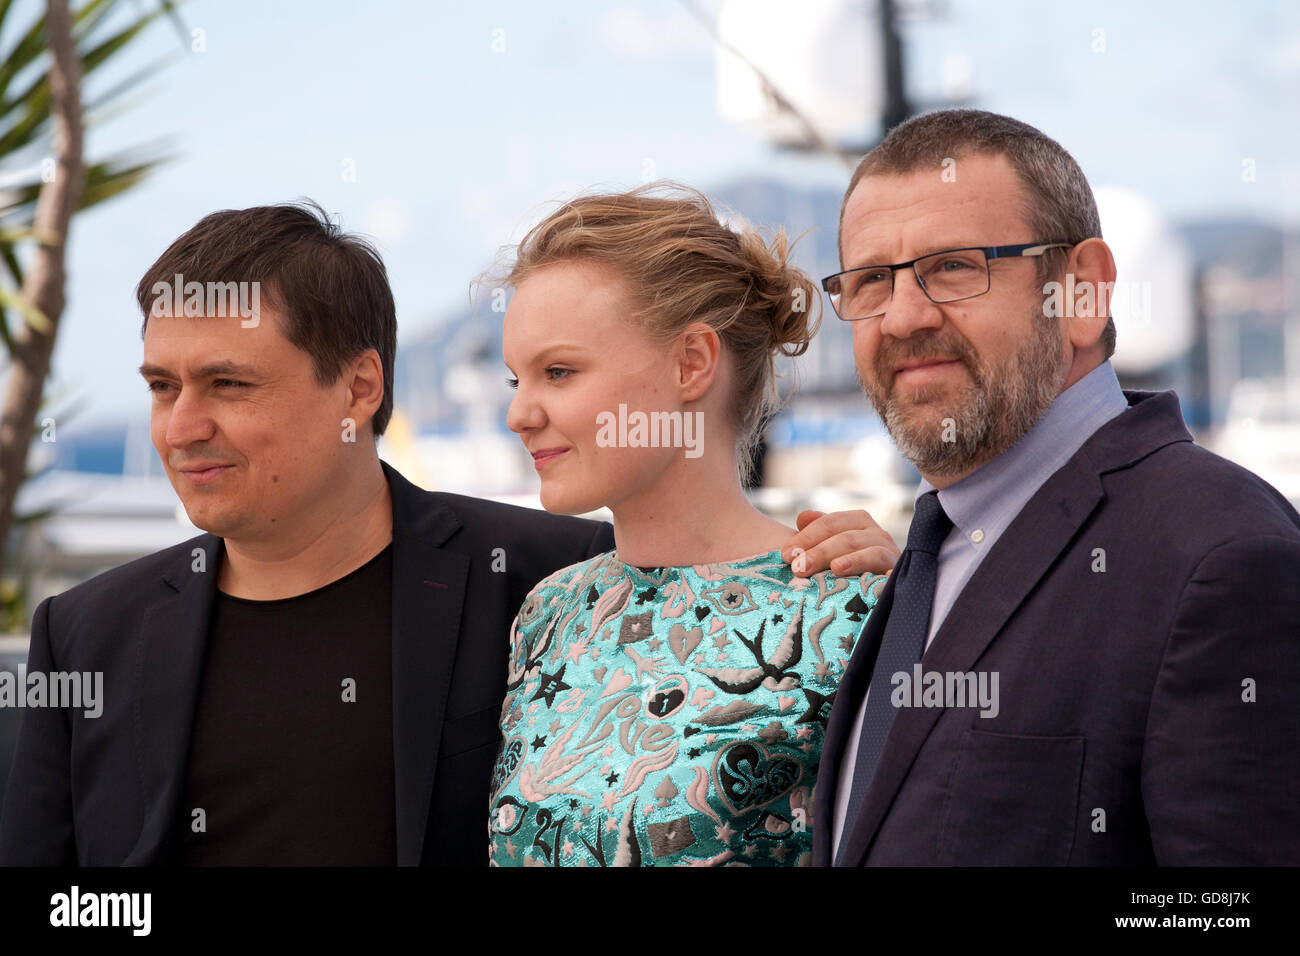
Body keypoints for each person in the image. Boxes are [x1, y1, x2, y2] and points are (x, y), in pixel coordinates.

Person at [0, 201, 894, 866]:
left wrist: (905, 578)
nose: (181, 425)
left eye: (228, 385)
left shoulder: (531, 579)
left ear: (358, 390)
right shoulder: (86, 634)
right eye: (160, 387)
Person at [814, 108, 1300, 866]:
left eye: (954, 266)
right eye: (871, 280)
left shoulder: (1219, 555)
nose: (904, 317)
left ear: (1081, 292)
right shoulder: (923, 566)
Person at [488, 185, 895, 867]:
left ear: (692, 363)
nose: (520, 415)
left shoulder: (848, 609)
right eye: (515, 381)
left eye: (558, 372)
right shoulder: (548, 612)